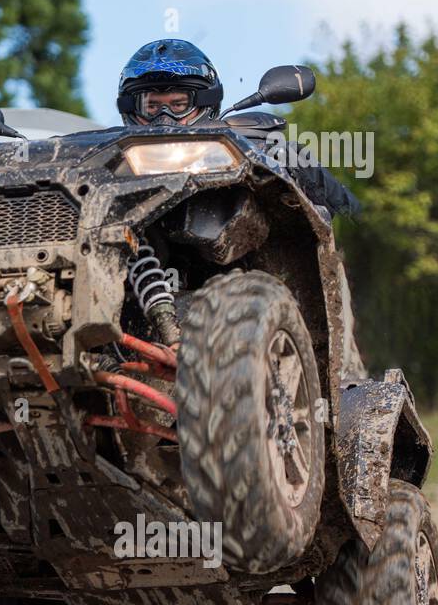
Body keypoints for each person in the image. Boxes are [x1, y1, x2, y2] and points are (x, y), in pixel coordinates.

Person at [117, 38, 366, 377]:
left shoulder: (245, 143)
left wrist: (282, 159)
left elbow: (343, 208)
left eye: (178, 105)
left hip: (257, 301)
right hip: (137, 311)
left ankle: (341, 377)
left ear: (204, 104)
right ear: (132, 109)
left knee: (331, 259)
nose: (164, 117)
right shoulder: (112, 159)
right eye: (152, 106)